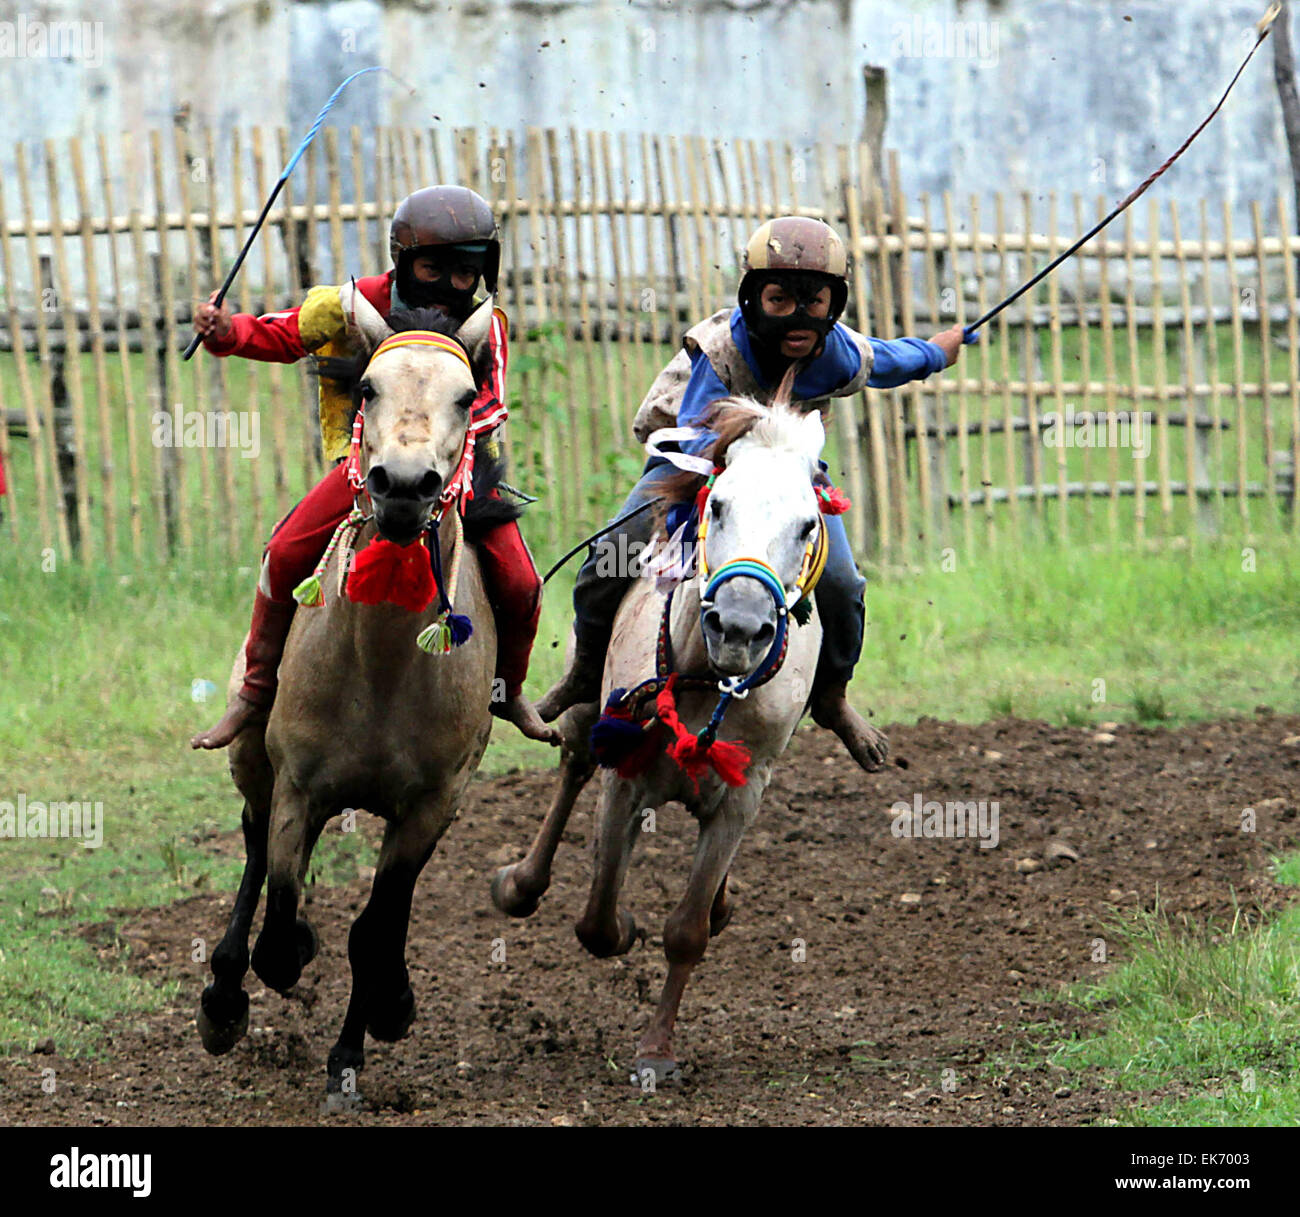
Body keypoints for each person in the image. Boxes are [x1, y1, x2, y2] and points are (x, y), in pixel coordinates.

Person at [538, 215, 966, 770]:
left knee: (841, 583)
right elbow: (695, 427)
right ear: (751, 298)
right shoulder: (721, 348)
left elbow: (890, 360)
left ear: (833, 305)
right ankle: (585, 671)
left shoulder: (837, 352)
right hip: (701, 463)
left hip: (789, 479)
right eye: (779, 299)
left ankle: (833, 697)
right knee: (610, 555)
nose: (798, 315)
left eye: (814, 301)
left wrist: (938, 351)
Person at [190, 185, 555, 749]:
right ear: (404, 260)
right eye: (433, 267)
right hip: (372, 467)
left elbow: (486, 405)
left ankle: (507, 694)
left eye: (465, 273)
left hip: (461, 470)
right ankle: (255, 694)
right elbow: (286, 334)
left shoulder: (486, 325)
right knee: (285, 552)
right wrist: (227, 332)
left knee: (523, 584)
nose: (449, 285)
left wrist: (444, 467)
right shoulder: (351, 305)